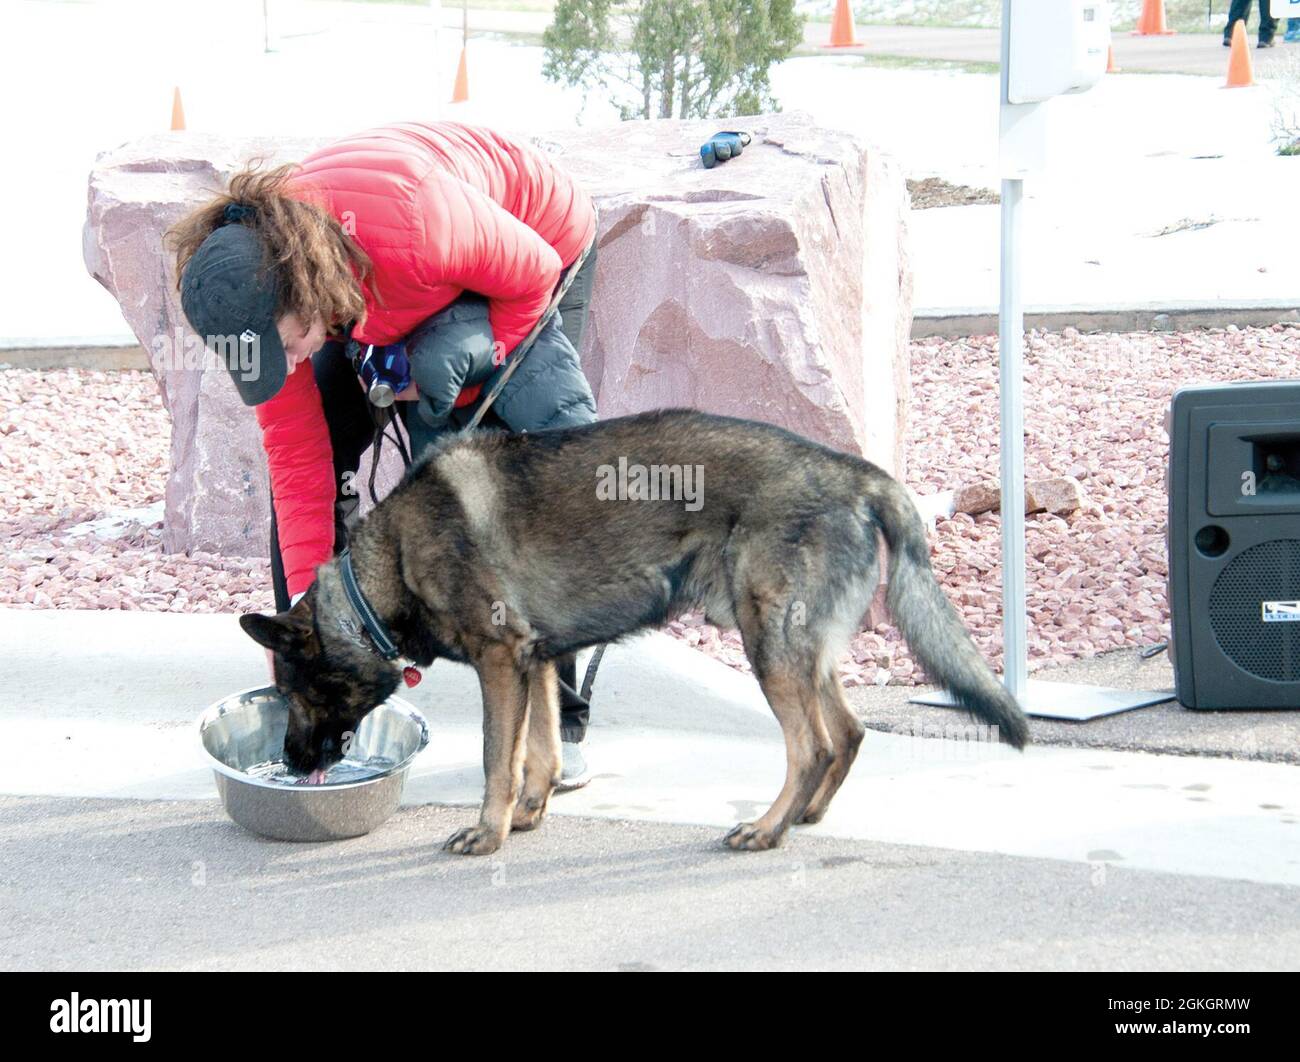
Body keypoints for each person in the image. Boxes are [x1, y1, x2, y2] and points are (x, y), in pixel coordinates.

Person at [168, 120, 602, 789]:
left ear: (301, 293)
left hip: (526, 251)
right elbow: (298, 469)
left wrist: (477, 360)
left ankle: (561, 724)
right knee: (326, 431)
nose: (283, 367)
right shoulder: (265, 305)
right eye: (268, 359)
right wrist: (318, 608)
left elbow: (533, 273)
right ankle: (312, 668)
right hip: (365, 283)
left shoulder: (416, 225)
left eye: (287, 347)